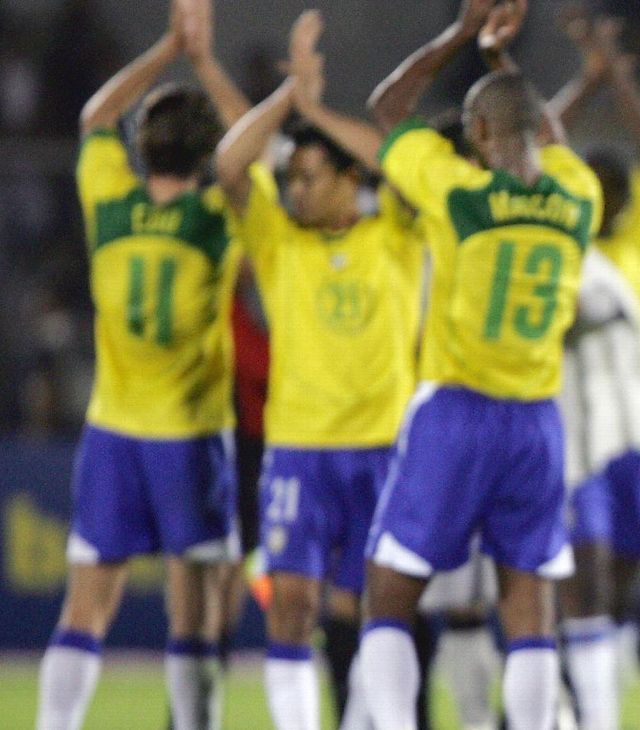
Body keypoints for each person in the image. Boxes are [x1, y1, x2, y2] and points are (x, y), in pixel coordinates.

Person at [350, 1, 602, 728]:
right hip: (536, 424)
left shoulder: (456, 190)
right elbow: (543, 132)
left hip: (457, 411)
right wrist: (503, 65)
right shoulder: (578, 196)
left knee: (390, 589)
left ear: (477, 134)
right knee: (529, 606)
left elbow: (387, 106)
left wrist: (464, 34)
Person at [36, 1, 249, 728]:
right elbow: (257, 152)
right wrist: (206, 60)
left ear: (145, 149)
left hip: (113, 432)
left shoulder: (109, 203)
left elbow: (96, 117)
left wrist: (166, 50)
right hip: (190, 437)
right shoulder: (218, 221)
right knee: (193, 616)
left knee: (86, 607)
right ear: (206, 153)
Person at [213, 11, 424, 730]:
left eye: (310, 176)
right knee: (293, 607)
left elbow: (401, 162)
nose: (296, 191)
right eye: (292, 179)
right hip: (299, 451)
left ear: (347, 179)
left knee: (376, 607)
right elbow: (229, 167)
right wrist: (286, 101)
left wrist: (316, 111)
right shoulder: (278, 244)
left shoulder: (395, 237)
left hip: (381, 450)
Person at [546, 12, 640, 728]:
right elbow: (532, 142)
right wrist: (582, 81)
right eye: (590, 189)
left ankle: (570, 693)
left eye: (611, 187)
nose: (604, 199)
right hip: (578, 432)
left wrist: (617, 79)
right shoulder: (561, 250)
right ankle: (592, 706)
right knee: (588, 574)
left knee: (627, 581)